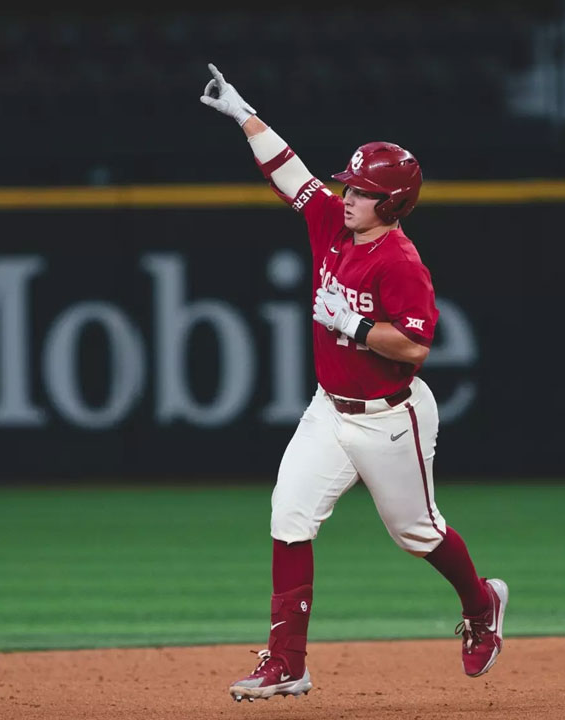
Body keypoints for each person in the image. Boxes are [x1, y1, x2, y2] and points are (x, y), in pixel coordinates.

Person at [199, 63, 509, 703]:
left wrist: (359, 327)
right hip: (329, 411)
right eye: (350, 185)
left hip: (390, 416)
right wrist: (242, 111)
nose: (347, 195)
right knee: (289, 515)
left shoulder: (400, 262)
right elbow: (290, 175)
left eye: (362, 191)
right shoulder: (334, 224)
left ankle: (482, 606)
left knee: (416, 533)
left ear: (391, 202)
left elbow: (417, 348)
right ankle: (287, 663)